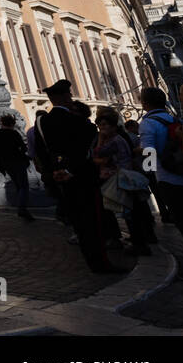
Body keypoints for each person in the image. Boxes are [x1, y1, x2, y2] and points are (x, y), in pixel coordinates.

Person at [32, 79, 125, 273]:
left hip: (61, 180)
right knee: (93, 221)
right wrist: (70, 171)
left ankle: (91, 260)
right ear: (67, 98)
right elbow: (86, 153)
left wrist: (55, 172)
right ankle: (101, 263)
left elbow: (41, 151)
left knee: (78, 222)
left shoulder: (42, 122)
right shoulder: (81, 124)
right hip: (84, 178)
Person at [141, 83, 183, 282]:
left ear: (145, 103)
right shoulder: (174, 118)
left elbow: (148, 149)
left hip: (169, 177)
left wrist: (149, 171)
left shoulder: (148, 122)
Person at [92, 107, 152, 256]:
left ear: (113, 126)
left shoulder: (114, 140)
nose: (103, 128)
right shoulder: (119, 138)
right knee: (131, 212)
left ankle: (140, 244)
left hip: (123, 178)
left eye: (105, 125)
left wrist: (100, 139)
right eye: (100, 125)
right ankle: (140, 242)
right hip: (126, 176)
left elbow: (98, 152)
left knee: (129, 212)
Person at [0, 113, 34, 220]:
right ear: (12, 124)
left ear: (2, 123)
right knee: (23, 185)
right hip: (17, 161)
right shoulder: (14, 134)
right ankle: (22, 208)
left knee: (18, 184)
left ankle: (22, 207)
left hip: (5, 163)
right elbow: (23, 148)